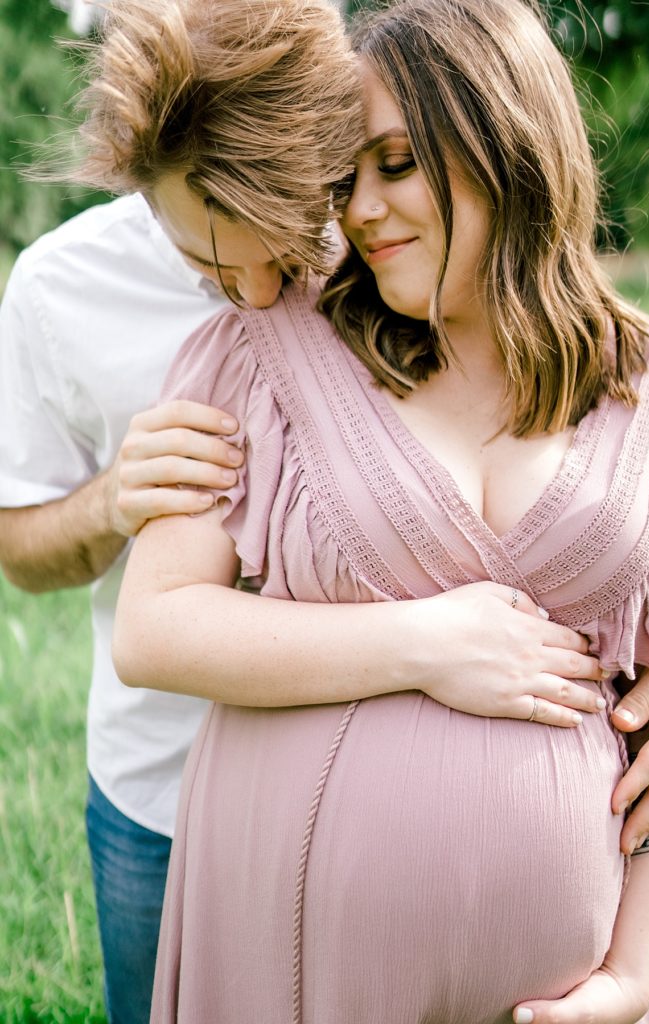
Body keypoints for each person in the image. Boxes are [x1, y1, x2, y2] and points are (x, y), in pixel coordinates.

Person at [113, 0, 649, 1021]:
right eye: (345, 179)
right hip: (287, 964)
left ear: (506, 141)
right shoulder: (265, 350)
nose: (359, 212)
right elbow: (153, 629)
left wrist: (634, 970)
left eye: (394, 163)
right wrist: (423, 644)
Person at [0, 1, 362, 1021]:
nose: (254, 294)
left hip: (360, 789)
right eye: (211, 265)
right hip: (154, 801)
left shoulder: (392, 243)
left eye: (286, 253)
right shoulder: (55, 292)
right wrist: (112, 501)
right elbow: (21, 550)